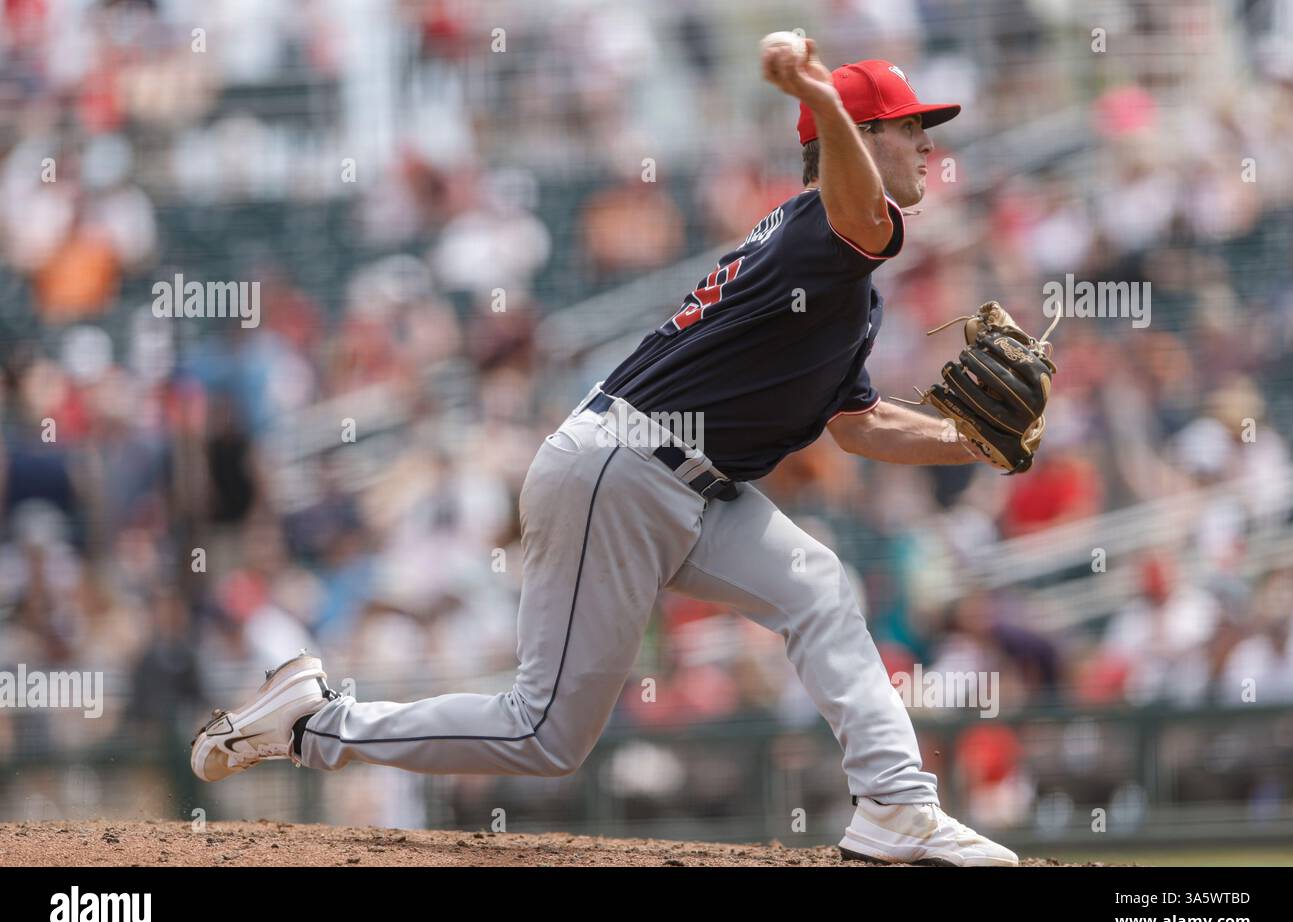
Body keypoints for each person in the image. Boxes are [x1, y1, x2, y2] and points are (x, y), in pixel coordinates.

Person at [190, 41, 1018, 866]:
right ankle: (315, 722)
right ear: (859, 138)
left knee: (819, 590)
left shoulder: (837, 277)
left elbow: (860, 424)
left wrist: (972, 442)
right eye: (911, 126)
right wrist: (814, 92)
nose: (929, 144)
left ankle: (897, 807)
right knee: (545, 735)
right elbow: (850, 195)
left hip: (687, 488)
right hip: (619, 470)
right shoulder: (832, 230)